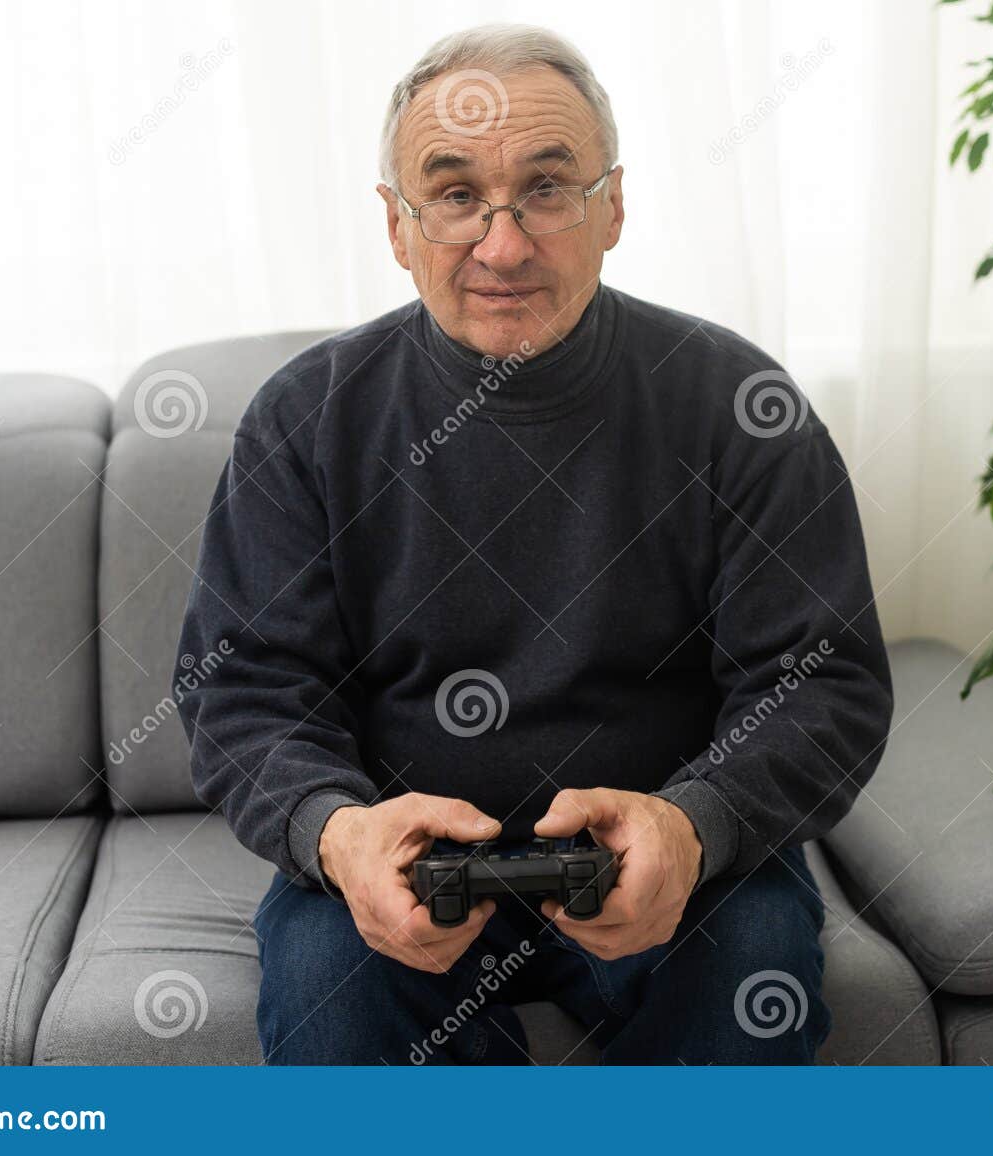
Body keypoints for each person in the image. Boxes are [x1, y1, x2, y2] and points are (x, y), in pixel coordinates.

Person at [174, 22, 892, 1064]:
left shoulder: (741, 404)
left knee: (754, 955)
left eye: (547, 189)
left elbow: (823, 686)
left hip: (674, 851)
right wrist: (341, 834)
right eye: (457, 194)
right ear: (397, 224)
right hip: (398, 859)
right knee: (329, 982)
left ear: (613, 205)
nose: (501, 246)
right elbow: (242, 693)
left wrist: (694, 825)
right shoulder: (305, 417)